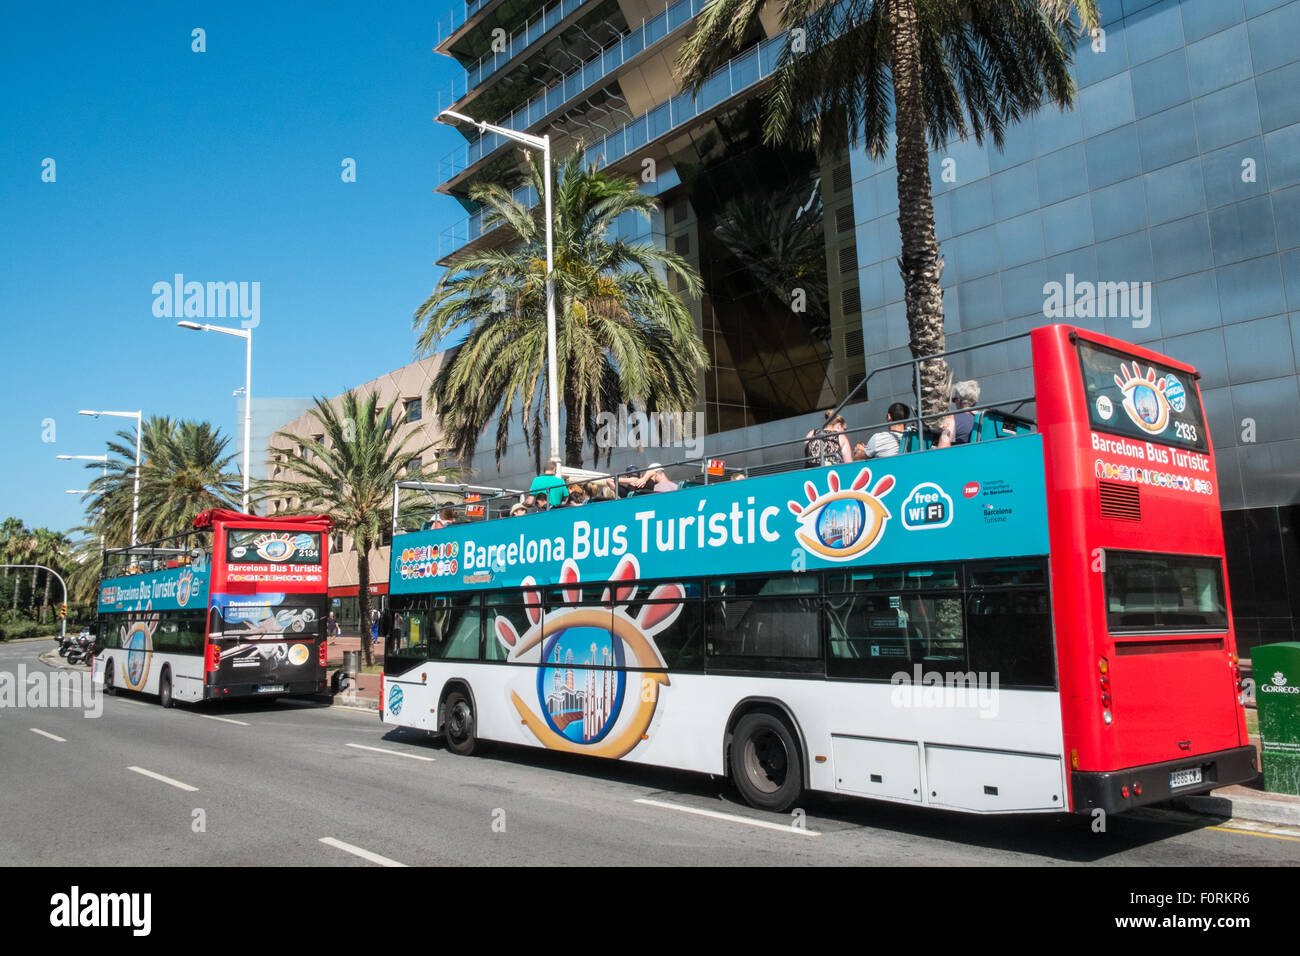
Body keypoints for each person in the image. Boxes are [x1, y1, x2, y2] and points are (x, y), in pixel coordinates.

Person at [938, 380, 980, 448]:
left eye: (954, 399)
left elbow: (943, 444)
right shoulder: (982, 418)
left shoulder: (951, 418)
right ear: (974, 402)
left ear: (959, 400)